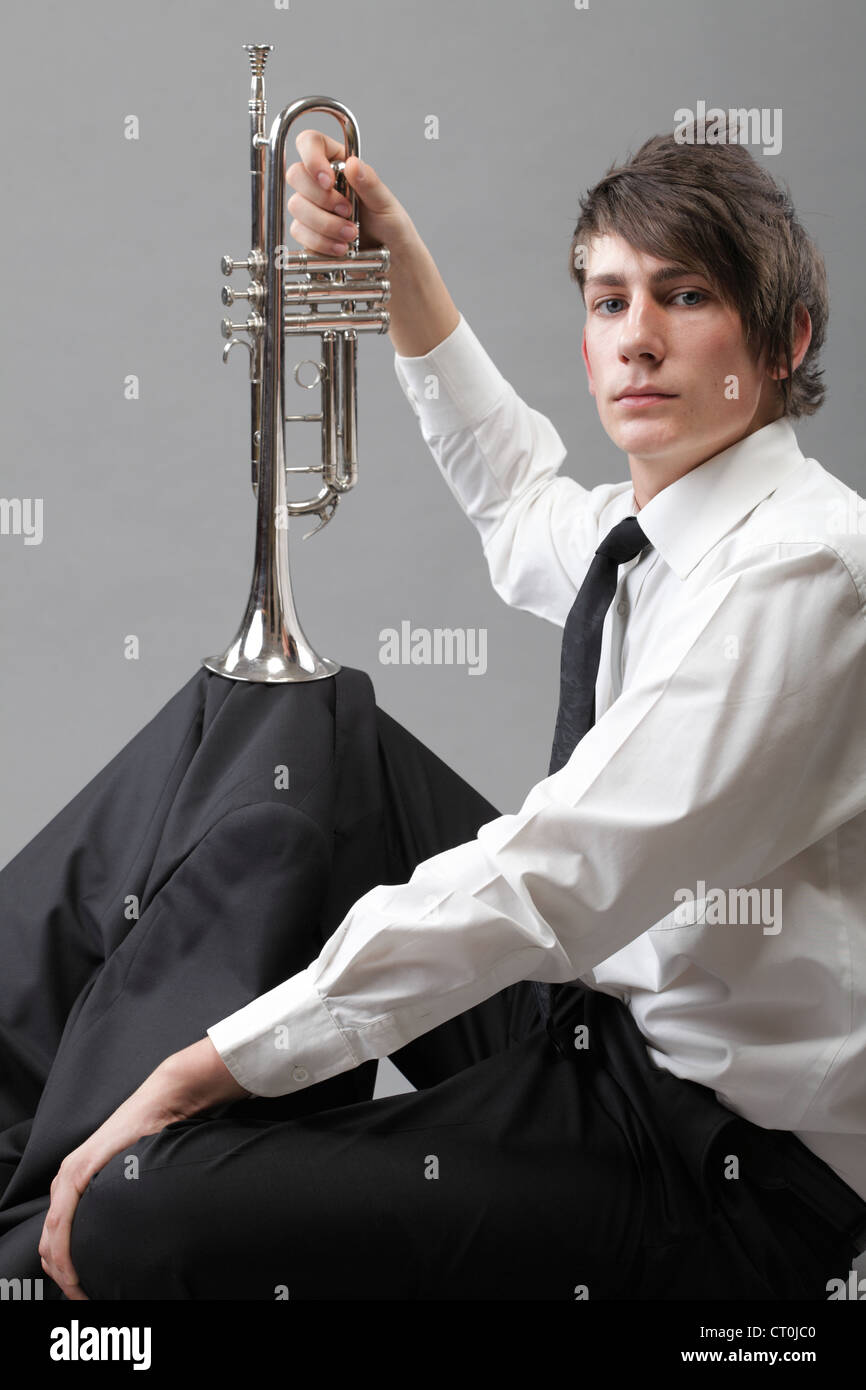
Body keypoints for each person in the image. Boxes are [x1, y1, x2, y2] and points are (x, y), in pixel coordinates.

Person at [38, 116, 866, 1301]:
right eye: (607, 300)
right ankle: (61, 1147)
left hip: (716, 1167)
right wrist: (395, 270)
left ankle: (81, 1183)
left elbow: (555, 873)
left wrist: (206, 1069)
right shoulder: (659, 532)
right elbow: (521, 502)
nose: (635, 339)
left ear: (780, 340)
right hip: (599, 1023)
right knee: (310, 729)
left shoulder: (800, 575)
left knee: (139, 1217)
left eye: (682, 297)